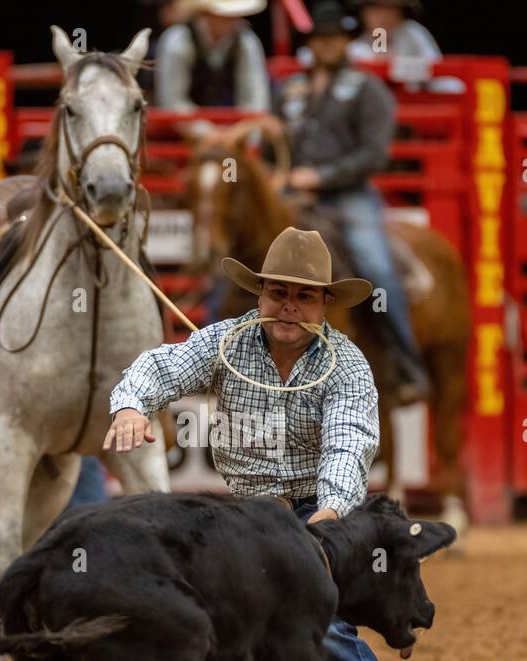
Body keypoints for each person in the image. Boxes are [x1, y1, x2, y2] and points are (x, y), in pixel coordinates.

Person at [101, 225, 433, 661]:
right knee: (183, 620)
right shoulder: (225, 344)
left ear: (325, 305)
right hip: (246, 518)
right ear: (259, 297)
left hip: (317, 513)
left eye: (304, 296)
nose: (288, 306)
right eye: (278, 292)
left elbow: (349, 445)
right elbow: (160, 368)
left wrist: (326, 515)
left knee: (324, 633)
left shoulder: (347, 367)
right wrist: (131, 405)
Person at [272, 0, 431, 404]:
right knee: (245, 246)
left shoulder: (366, 89)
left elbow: (374, 154)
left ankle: (405, 361)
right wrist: (282, 175)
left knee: (375, 265)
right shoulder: (291, 90)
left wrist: (321, 176)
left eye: (333, 38)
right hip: (293, 195)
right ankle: (212, 350)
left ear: (345, 41)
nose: (326, 45)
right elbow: (271, 141)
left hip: (349, 196)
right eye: (320, 39)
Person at [153, 0, 270, 138]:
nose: (233, 22)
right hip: (183, 135)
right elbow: (173, 102)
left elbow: (256, 99)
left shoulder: (246, 42)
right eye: (224, 17)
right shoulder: (178, 42)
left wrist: (240, 133)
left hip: (234, 133)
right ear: (205, 14)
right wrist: (208, 133)